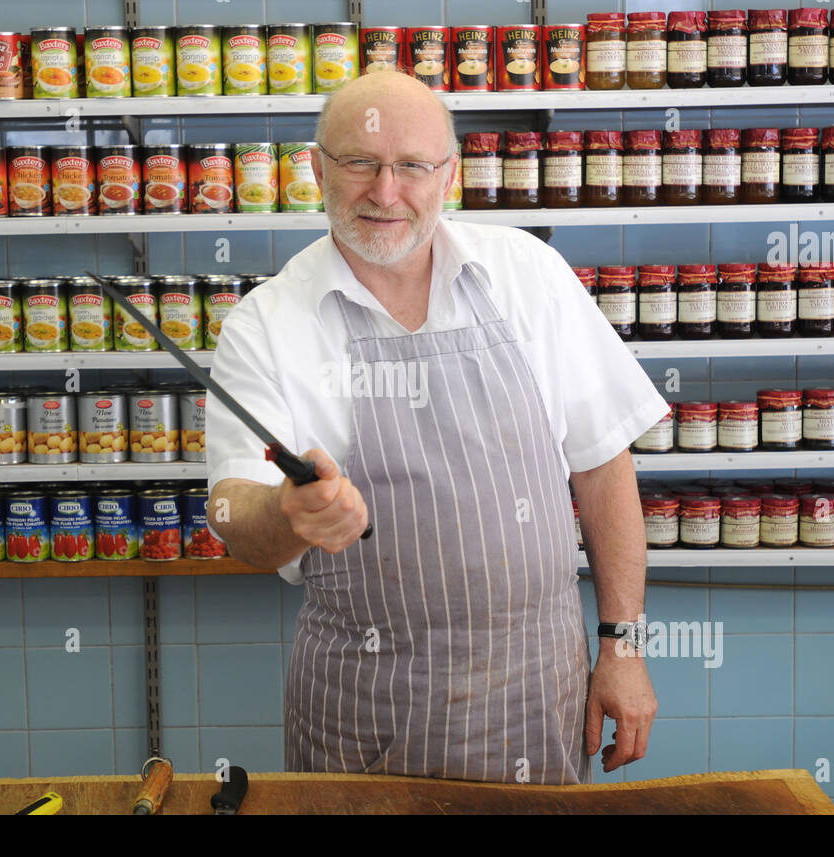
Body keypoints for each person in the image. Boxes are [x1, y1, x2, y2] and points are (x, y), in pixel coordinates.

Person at [206, 71, 669, 784]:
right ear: (316, 168)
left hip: (535, 697)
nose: (385, 193)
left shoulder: (528, 276)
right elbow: (235, 515)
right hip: (363, 710)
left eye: (413, 167)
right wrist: (290, 513)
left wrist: (624, 645)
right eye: (360, 163)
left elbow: (604, 464)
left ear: (449, 173)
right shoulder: (268, 323)